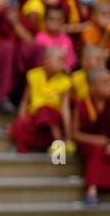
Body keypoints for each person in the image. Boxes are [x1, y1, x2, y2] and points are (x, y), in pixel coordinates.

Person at [10, 44, 72, 154]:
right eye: (60, 60)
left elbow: (65, 109)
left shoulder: (65, 81)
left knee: (46, 111)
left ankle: (58, 141)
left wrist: (68, 136)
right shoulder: (34, 75)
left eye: (64, 60)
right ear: (46, 61)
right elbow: (25, 101)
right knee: (21, 125)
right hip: (35, 116)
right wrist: (20, 119)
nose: (63, 63)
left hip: (54, 119)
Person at [71, 67, 110, 204]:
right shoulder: (82, 103)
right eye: (104, 83)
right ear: (92, 87)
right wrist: (95, 140)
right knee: (96, 151)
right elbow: (74, 134)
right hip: (87, 145)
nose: (109, 86)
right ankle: (91, 191)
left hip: (107, 145)